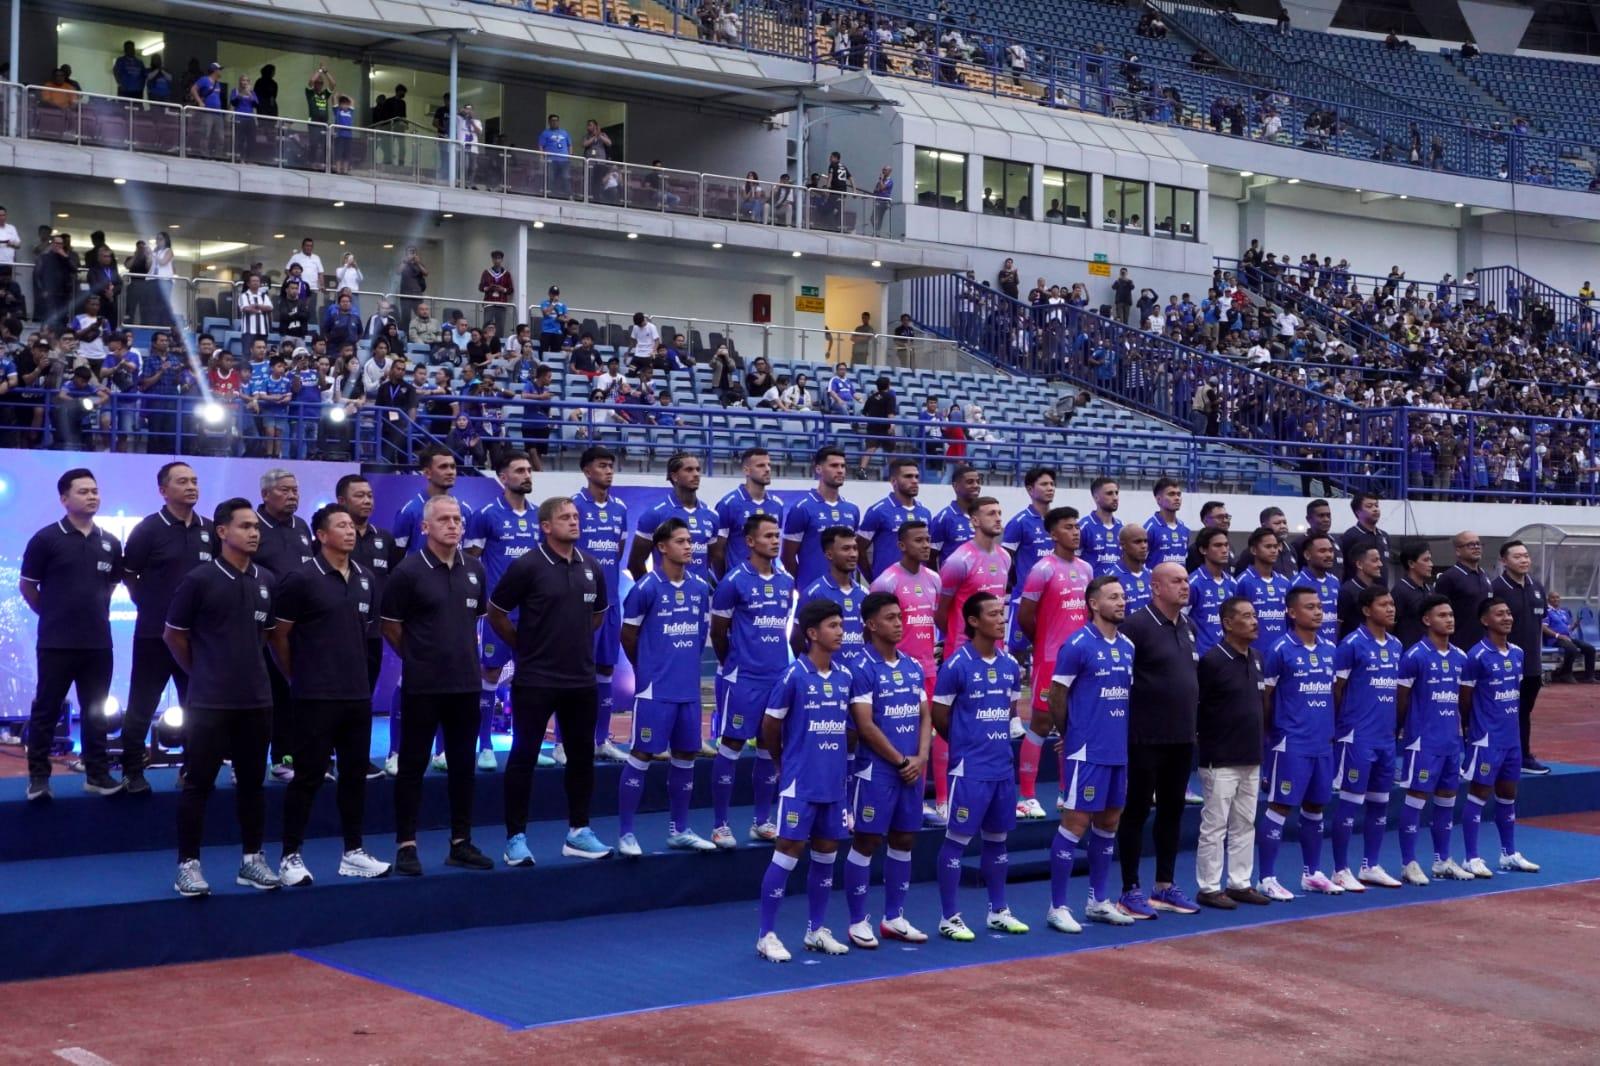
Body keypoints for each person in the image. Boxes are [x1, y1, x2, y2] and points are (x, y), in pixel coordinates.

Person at [163, 498, 281, 896]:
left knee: (252, 783)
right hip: (210, 701)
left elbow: (263, 637)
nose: (253, 532)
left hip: (257, 700)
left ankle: (252, 860)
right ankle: (188, 865)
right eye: (245, 526)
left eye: (256, 527)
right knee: (198, 784)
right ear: (222, 532)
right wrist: (204, 672)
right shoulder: (199, 579)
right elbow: (174, 636)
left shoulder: (266, 579)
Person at [487, 496, 614, 863]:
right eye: (565, 518)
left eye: (576, 517)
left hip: (580, 680)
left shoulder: (591, 565)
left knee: (581, 758)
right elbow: (496, 613)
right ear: (546, 526)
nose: (574, 522)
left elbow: (596, 617)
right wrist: (521, 646)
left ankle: (578, 832)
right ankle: (515, 839)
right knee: (523, 757)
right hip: (536, 679)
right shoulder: (527, 565)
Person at [269, 504, 390, 884]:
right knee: (308, 777)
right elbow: (278, 637)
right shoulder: (300, 579)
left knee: (354, 776)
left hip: (355, 695)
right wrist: (300, 677)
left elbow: (365, 635)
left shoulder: (366, 578)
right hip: (314, 696)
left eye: (352, 526)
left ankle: (353, 852)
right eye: (341, 526)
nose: (350, 531)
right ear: (321, 535)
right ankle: (290, 856)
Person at [381, 495, 493, 876]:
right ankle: (406, 845)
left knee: (463, 766)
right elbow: (391, 625)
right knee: (413, 766)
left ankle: (460, 842)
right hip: (423, 685)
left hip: (465, 684)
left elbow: (476, 621)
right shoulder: (408, 572)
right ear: (425, 527)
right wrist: (418, 657)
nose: (453, 525)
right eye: (444, 519)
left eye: (458, 519)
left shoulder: (475, 569)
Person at [754, 598, 855, 962]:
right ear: (812, 633)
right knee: (788, 853)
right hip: (801, 783)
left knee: (827, 854)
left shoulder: (845, 677)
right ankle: (766, 934)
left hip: (833, 784)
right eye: (833, 626)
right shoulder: (792, 676)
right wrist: (785, 767)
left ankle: (816, 930)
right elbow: (769, 727)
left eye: (841, 625)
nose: (840, 632)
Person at [615, 519, 718, 856]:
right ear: (661, 547)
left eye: (691, 541)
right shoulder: (644, 588)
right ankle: (627, 833)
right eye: (681, 541)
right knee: (642, 755)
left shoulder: (701, 587)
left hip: (688, 691)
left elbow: (700, 634)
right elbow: (628, 636)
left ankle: (680, 829)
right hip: (655, 691)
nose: (689, 546)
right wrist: (646, 671)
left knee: (686, 756)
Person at [21, 469, 125, 800]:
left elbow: (110, 587)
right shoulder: (45, 539)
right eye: (83, 492)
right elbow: (28, 586)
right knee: (46, 710)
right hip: (56, 643)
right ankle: (38, 778)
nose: (92, 496)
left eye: (95, 491)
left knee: (96, 711)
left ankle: (97, 774)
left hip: (98, 643)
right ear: (65, 499)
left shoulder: (110, 542)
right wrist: (52, 615)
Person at [932, 592, 1030, 940]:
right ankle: (949, 916)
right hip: (969, 770)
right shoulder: (956, 665)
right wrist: (966, 743)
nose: (1002, 620)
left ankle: (998, 911)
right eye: (993, 614)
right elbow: (940, 717)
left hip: (1002, 768)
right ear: (973, 621)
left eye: (1002, 614)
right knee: (957, 842)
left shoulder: (1009, 666)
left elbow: (1007, 714)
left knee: (997, 842)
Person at [1045, 575, 1138, 929]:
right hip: (1086, 752)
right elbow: (1057, 696)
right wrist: (1071, 734)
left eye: (1123, 596)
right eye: (1113, 597)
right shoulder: (1078, 645)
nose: (1121, 602)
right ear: (1093, 604)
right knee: (1075, 823)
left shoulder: (1128, 646)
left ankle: (1098, 901)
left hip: (1117, 749)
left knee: (1110, 822)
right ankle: (1057, 907)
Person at [842, 592, 933, 947]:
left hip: (912, 768)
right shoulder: (860, 668)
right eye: (891, 618)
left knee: (905, 839)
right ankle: (856, 920)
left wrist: (922, 757)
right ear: (871, 624)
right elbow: (865, 725)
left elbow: (925, 716)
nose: (899, 623)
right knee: (866, 840)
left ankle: (893, 917)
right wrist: (899, 760)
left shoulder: (912, 666)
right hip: (876, 772)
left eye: (900, 617)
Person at [1113, 561, 1203, 916]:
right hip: (1143, 736)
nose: (1185, 586)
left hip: (1181, 736)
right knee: (1135, 812)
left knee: (1172, 811)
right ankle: (1129, 890)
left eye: (1186, 580)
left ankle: (1164, 886)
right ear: (1156, 587)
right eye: (1177, 581)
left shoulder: (1189, 626)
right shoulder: (1135, 626)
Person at [119, 462, 213, 792]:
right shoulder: (147, 530)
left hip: (198, 637)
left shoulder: (210, 529)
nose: (191, 486)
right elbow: (129, 574)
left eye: (194, 481)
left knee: (198, 706)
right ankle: (132, 770)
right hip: (154, 634)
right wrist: (149, 604)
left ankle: (193, 769)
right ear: (163, 490)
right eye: (182, 481)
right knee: (142, 704)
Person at [709, 513, 796, 844]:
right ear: (750, 541)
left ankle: (762, 821)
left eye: (777, 535)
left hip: (777, 677)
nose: (775, 540)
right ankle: (720, 825)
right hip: (742, 677)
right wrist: (733, 664)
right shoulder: (733, 582)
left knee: (769, 746)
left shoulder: (786, 582)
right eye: (769, 535)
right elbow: (719, 633)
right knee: (731, 745)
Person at [1256, 587, 1342, 901]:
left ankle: (1312, 873)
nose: (1318, 612)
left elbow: (1334, 694)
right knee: (1280, 806)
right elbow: (1266, 699)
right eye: (1310, 607)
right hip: (1290, 743)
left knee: (1316, 806)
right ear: (1292, 613)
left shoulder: (1331, 649)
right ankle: (1267, 877)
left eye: (1320, 607)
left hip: (1323, 742)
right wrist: (1273, 736)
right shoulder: (1280, 649)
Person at [462, 451, 539, 772]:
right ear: (502, 477)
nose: (527, 475)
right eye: (519, 470)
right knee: (490, 673)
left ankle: (525, 746)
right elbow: (470, 561)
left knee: (530, 677)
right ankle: (486, 746)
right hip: (499, 613)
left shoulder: (539, 515)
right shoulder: (486, 515)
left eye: (528, 470)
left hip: (534, 612)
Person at [1015, 506, 1092, 820]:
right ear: (1052, 533)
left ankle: (1065, 792)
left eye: (1077, 526)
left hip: (1081, 661)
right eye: (1068, 527)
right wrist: (1045, 643)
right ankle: (1027, 796)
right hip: (1050, 660)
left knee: (1072, 725)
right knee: (1041, 725)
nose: (1075, 532)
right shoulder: (1042, 569)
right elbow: (1025, 617)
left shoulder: (1087, 569)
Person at [1393, 594, 1476, 885]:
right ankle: (1408, 863)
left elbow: (1462, 701)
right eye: (1442, 615)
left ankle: (1442, 861)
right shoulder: (1415, 656)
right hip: (1423, 742)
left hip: (1451, 742)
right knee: (1416, 800)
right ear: (1427, 620)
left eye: (1451, 614)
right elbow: (1400, 700)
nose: (1449, 619)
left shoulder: (1461, 657)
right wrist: (1402, 732)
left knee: (1446, 802)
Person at [1326, 584, 1404, 891]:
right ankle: (1340, 869)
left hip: (1386, 739)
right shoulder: (1351, 644)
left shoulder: (1397, 645)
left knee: (1380, 803)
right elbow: (1337, 690)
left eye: (1392, 604)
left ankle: (1370, 865)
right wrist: (1337, 729)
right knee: (1350, 802)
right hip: (1357, 737)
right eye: (1384, 604)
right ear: (1366, 609)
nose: (1391, 609)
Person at [1194, 596, 1271, 908]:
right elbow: (1198, 707)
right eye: (1246, 616)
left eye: (1255, 615)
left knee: (1245, 823)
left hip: (1251, 754)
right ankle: (1209, 887)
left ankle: (1240, 882)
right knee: (1214, 826)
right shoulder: (1212, 661)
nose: (1254, 621)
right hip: (1220, 757)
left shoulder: (1256, 658)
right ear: (1227, 623)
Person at [1458, 596, 1542, 877]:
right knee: (1480, 793)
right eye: (1499, 614)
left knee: (1508, 794)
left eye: (1508, 613)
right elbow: (1465, 699)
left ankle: (1509, 854)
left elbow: (1513, 695)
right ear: (1485, 620)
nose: (1507, 618)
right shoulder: (1476, 656)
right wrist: (1474, 729)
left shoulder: (1518, 653)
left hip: (1511, 738)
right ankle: (1471, 857)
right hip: (1486, 739)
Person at [870, 519, 945, 823]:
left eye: (928, 540)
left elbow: (932, 620)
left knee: (929, 734)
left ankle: (934, 800)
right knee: (895, 735)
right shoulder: (886, 581)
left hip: (927, 670)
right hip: (893, 672)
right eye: (919, 541)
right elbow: (874, 628)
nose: (926, 545)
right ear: (902, 545)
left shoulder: (935, 580)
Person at [253, 469, 315, 778]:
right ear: (265, 495)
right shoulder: (252, 526)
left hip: (299, 627)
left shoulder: (302, 527)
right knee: (262, 696)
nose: (293, 495)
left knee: (293, 693)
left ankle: (284, 757)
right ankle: (245, 761)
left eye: (295, 490)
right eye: (285, 490)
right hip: (260, 627)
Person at [574, 447, 630, 763]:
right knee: (576, 670)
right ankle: (567, 741)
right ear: (586, 471)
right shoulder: (574, 506)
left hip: (610, 602)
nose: (608, 471)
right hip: (580, 605)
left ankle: (601, 739)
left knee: (606, 667)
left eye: (611, 465)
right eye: (602, 465)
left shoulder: (620, 508)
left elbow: (617, 551)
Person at [336, 474, 393, 780]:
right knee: (329, 703)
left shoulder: (383, 538)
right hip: (334, 636)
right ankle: (324, 760)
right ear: (342, 501)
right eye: (360, 496)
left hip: (371, 635)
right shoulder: (332, 537)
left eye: (370, 495)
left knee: (363, 700)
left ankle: (358, 759)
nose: (368, 501)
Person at [1493, 540, 1551, 775]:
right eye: (1518, 557)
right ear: (1504, 561)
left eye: (1526, 556)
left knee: (1523, 712)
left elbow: (1542, 617)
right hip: (1503, 664)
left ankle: (1523, 756)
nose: (1524, 560)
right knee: (1499, 712)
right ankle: (1494, 757)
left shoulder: (1537, 586)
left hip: (1531, 665)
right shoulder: (1496, 588)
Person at [936, 497, 1011, 666]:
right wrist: (959, 634)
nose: (998, 518)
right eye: (991, 514)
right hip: (962, 649)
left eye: (999, 513)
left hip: (995, 648)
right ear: (975, 521)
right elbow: (940, 610)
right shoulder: (959, 561)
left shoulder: (1004, 557)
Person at [630, 452, 718, 585]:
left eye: (698, 469)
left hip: (699, 596)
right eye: (689, 470)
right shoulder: (655, 514)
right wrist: (654, 590)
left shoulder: (712, 515)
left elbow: (711, 560)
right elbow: (635, 562)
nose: (696, 474)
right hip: (665, 599)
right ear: (675, 476)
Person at [782, 446, 859, 590]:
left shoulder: (852, 509)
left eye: (843, 466)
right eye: (834, 465)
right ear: (818, 469)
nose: (840, 470)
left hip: (846, 591)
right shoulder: (802, 508)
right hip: (813, 591)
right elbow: (787, 557)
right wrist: (806, 583)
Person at [799, 528, 871, 675]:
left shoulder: (864, 593)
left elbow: (868, 638)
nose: (853, 554)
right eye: (846, 549)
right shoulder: (814, 593)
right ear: (829, 554)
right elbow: (797, 639)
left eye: (855, 548)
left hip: (860, 679)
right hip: (828, 679)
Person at [711, 447, 785, 578]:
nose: (767, 469)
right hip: (738, 582)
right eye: (761, 465)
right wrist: (726, 580)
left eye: (769, 465)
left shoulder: (777, 505)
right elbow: (717, 552)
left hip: (768, 580)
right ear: (746, 470)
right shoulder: (729, 504)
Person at [858, 458, 931, 580]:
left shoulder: (925, 513)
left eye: (916, 477)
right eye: (908, 476)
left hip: (917, 584)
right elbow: (859, 548)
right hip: (887, 587)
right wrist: (872, 579)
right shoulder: (878, 511)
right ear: (893, 481)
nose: (914, 481)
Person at [1435, 530, 1492, 651]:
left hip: (1486, 647)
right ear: (1458, 551)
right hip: (1459, 646)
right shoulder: (1449, 578)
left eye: (1478, 544)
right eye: (1470, 544)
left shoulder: (1485, 576)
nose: (1476, 547)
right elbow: (1438, 614)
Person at [1237, 527, 1290, 652]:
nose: (1273, 550)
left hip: (1281, 653)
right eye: (1268, 546)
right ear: (1254, 550)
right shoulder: (1242, 582)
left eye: (1275, 546)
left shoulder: (1285, 582)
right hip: (1253, 653)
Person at [1188, 528, 1238, 655]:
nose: (1224, 550)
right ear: (1203, 550)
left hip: (1228, 655)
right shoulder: (1193, 583)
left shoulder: (1232, 583)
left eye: (1226, 545)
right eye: (1218, 545)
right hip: (1203, 656)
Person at [1291, 531, 1340, 645]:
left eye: (1331, 551)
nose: (1329, 555)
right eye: (1322, 551)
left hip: (1330, 649)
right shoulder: (1297, 583)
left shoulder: (1335, 581)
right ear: (1307, 555)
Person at [929, 463, 982, 564]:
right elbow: (930, 557)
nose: (976, 485)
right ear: (956, 486)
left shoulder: (983, 515)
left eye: (978, 482)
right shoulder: (944, 519)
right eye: (970, 482)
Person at [1340, 492, 1391, 586]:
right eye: (1369, 506)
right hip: (1359, 593)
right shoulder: (1350, 536)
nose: (1375, 509)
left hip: (1381, 592)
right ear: (1358, 512)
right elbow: (1344, 568)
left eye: (1376, 505)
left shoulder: (1384, 536)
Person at [1336, 543, 1384, 641]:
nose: (1380, 564)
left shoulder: (1379, 590)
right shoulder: (1347, 591)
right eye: (1375, 560)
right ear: (1359, 564)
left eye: (1379, 560)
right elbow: (1338, 625)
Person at [1545, 591, 1596, 683]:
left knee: (1590, 649)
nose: (1556, 599)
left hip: (1567, 637)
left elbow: (1568, 629)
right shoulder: (1546, 612)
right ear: (1548, 599)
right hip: (1555, 639)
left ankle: (1589, 677)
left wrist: (1575, 625)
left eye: (1557, 597)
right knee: (1572, 649)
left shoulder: (1562, 612)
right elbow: (1543, 627)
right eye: (1553, 597)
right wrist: (1558, 635)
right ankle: (1565, 674)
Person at [1078, 476, 1123, 576]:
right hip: (1093, 588)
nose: (1115, 497)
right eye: (1109, 493)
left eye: (1116, 493)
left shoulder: (1121, 527)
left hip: (1116, 587)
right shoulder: (1083, 526)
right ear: (1096, 497)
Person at [1142, 478, 1190, 568]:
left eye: (1179, 494)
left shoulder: (1185, 529)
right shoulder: (1149, 529)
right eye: (1171, 494)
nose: (1177, 498)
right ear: (1159, 499)